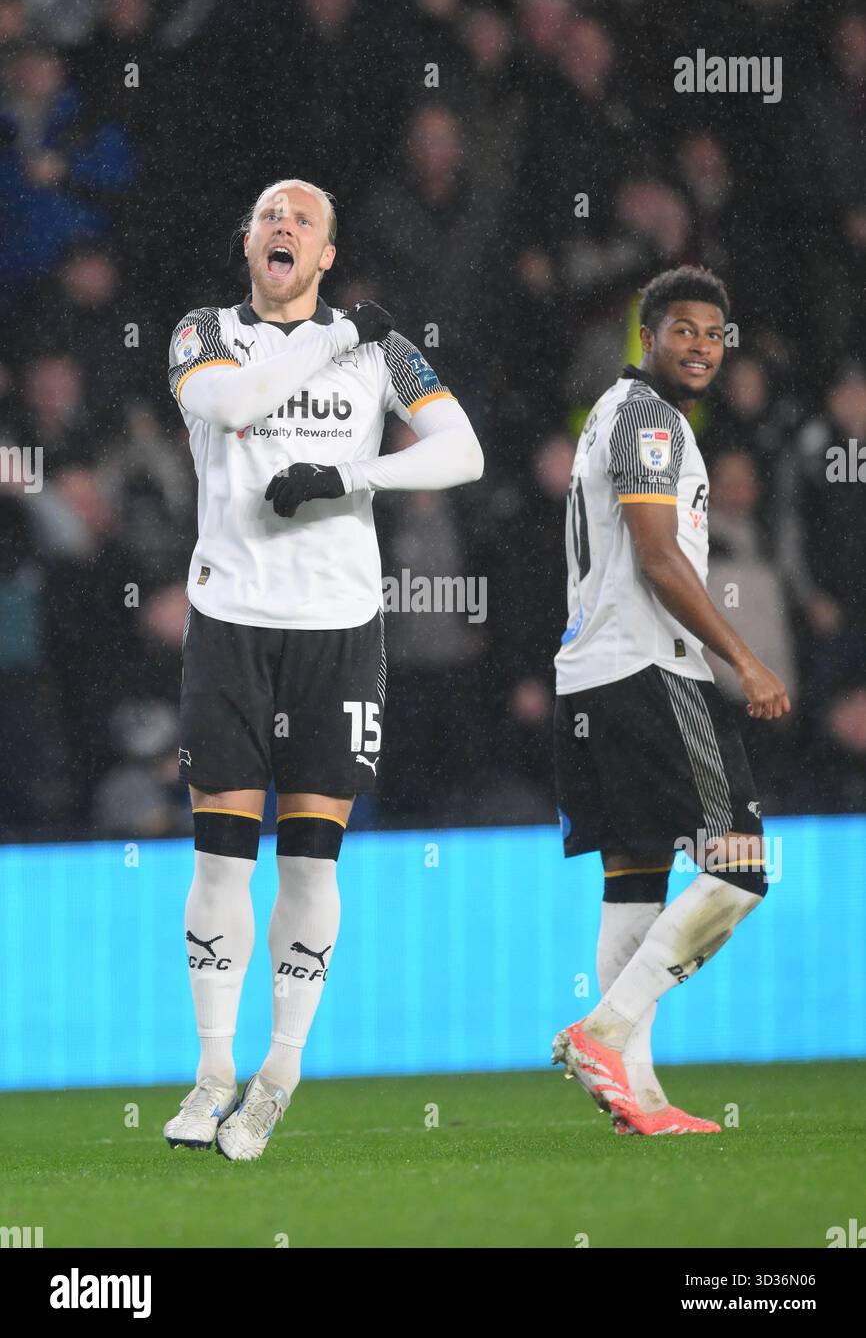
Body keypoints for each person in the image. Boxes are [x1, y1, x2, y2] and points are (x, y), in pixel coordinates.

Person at [162, 178, 483, 1160]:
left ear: (329, 252)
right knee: (220, 851)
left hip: (338, 626)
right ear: (247, 240)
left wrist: (352, 473)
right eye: (266, 214)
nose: (283, 226)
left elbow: (462, 451)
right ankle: (213, 1068)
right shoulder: (202, 332)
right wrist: (331, 340)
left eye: (303, 218)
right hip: (229, 618)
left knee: (308, 856)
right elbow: (239, 402)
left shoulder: (385, 352)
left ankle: (279, 1071)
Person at [551, 265, 790, 1135]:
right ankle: (606, 1032)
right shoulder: (651, 420)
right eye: (682, 329)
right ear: (647, 338)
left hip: (590, 677)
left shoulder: (608, 418)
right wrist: (746, 661)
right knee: (740, 868)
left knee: (636, 877)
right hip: (651, 669)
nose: (700, 346)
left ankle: (635, 1095)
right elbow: (657, 556)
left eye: (714, 335)